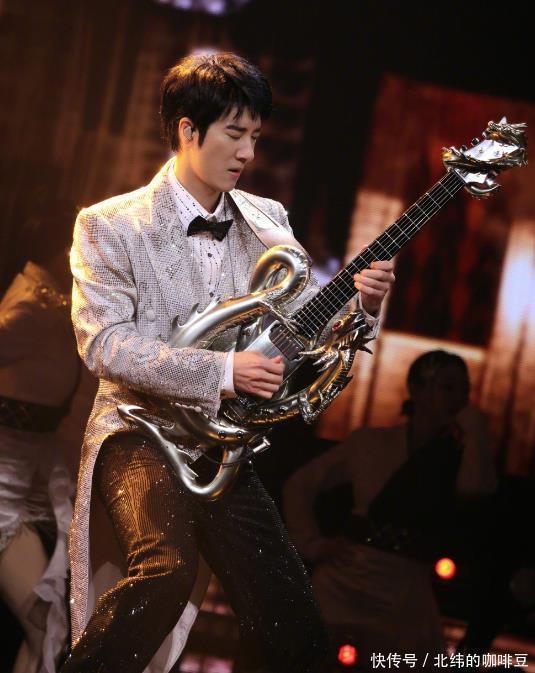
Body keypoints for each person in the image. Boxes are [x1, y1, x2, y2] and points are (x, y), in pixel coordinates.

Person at [62, 52, 395, 673]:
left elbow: (301, 332)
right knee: (166, 569)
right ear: (188, 129)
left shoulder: (268, 221)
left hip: (224, 447)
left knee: (291, 616)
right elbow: (104, 345)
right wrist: (222, 372)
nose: (248, 152)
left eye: (256, 137)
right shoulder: (110, 225)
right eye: (235, 133)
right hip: (137, 432)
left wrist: (363, 306)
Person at [283, 349, 497, 671]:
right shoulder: (370, 443)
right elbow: (299, 484)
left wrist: (475, 430)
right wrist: (311, 544)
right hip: (346, 577)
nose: (459, 399)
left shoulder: (456, 456)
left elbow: (477, 489)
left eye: (464, 390)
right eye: (448, 387)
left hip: (406, 587)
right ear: (418, 389)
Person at [0, 201, 80, 673]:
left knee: (49, 628)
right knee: (47, 626)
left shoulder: (51, 299)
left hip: (26, 485)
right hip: (4, 493)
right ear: (63, 251)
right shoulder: (34, 303)